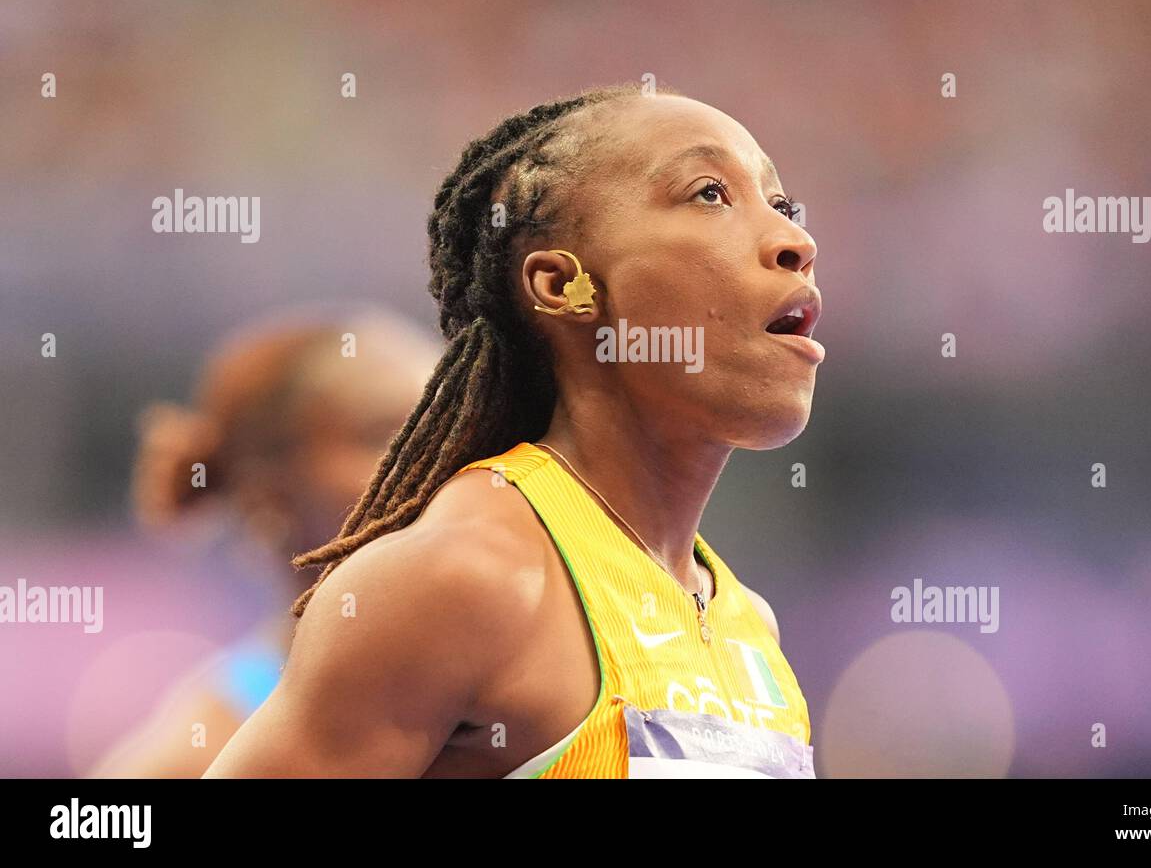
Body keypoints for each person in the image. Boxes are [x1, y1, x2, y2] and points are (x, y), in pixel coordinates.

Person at [206, 82, 823, 778]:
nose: (795, 240)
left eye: (781, 204)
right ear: (563, 286)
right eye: (710, 193)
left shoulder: (751, 629)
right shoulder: (467, 579)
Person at [86, 305, 440, 777]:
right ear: (269, 495)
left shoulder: (514, 679)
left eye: (449, 424)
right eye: (384, 433)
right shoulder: (191, 759)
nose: (442, 459)